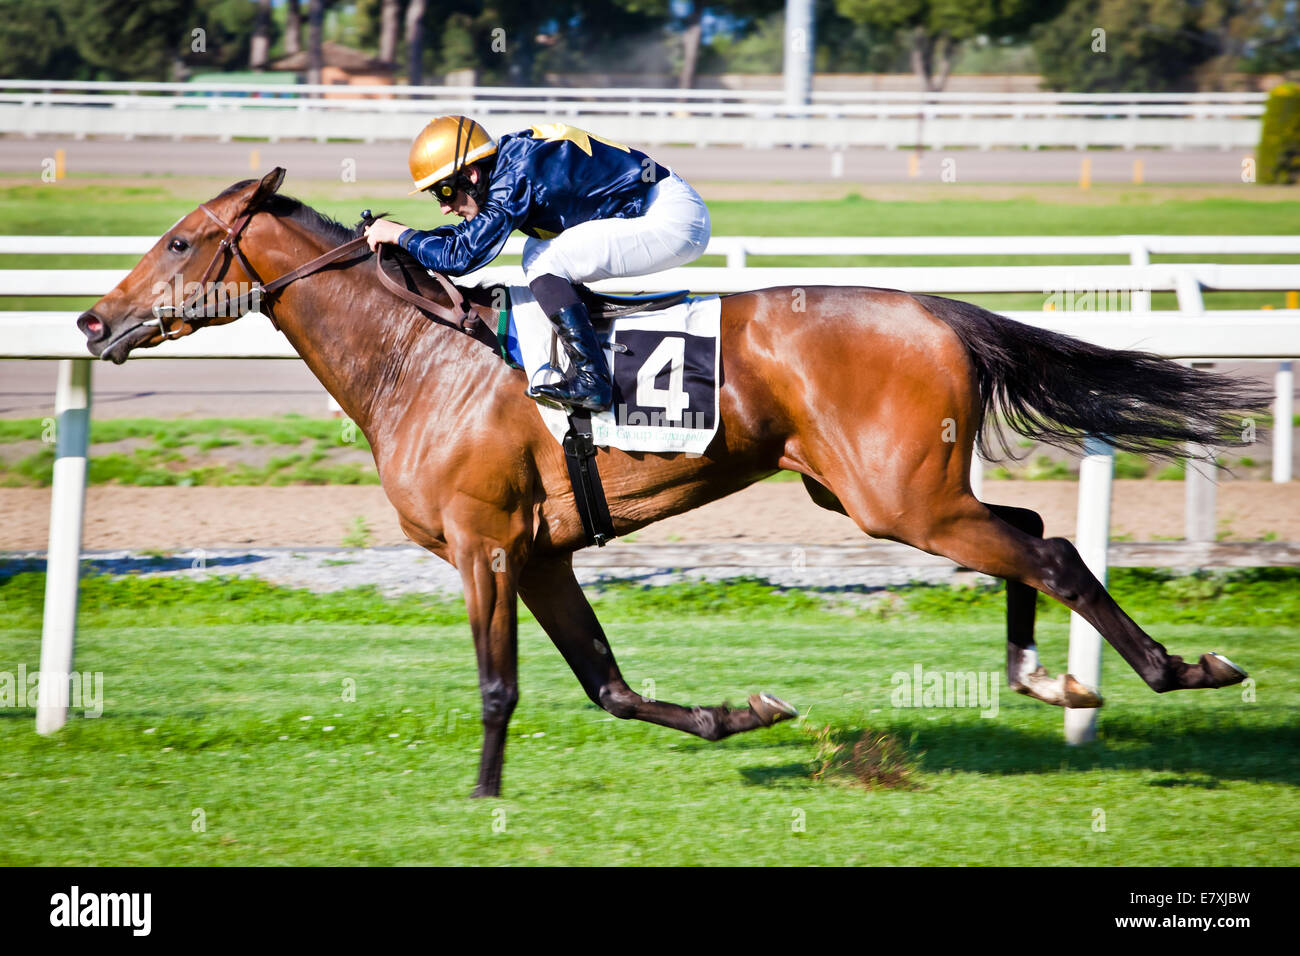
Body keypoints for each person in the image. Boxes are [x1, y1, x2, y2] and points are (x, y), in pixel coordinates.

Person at [363, 115, 711, 412]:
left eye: (444, 192)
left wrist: (403, 235)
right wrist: (405, 238)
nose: (443, 207)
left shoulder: (515, 178)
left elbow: (460, 257)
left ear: (470, 175)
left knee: (548, 259)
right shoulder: (506, 168)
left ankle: (592, 379)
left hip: (672, 219)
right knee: (536, 253)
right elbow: (465, 239)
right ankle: (584, 321)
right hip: (660, 205)